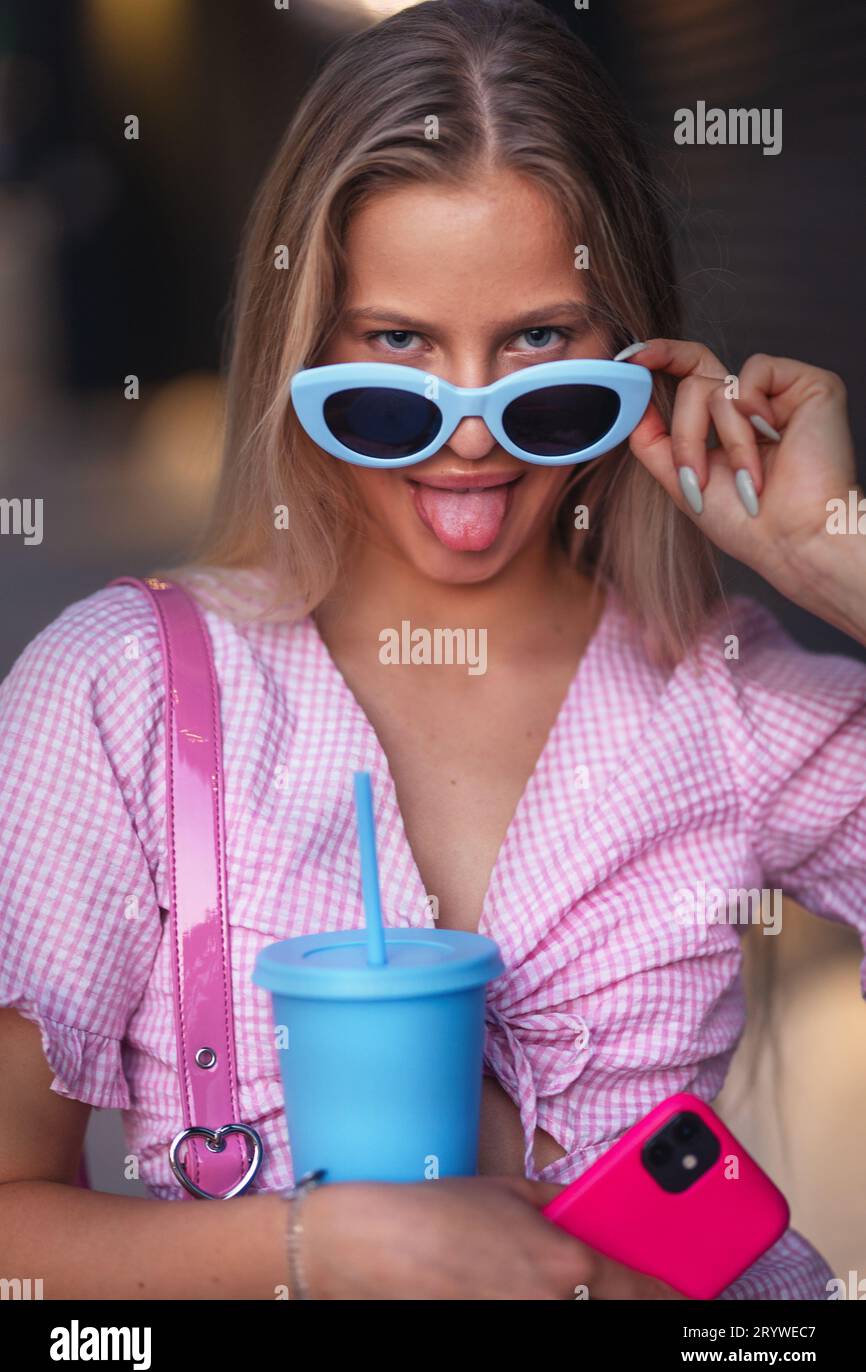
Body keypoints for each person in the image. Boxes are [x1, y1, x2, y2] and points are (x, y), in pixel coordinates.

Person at [1, 0, 864, 1300]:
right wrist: (313, 1247)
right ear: (304, 346)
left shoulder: (734, 704)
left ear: (635, 353)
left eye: (537, 344)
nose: (472, 434)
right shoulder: (116, 694)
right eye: (395, 347)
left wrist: (833, 562)